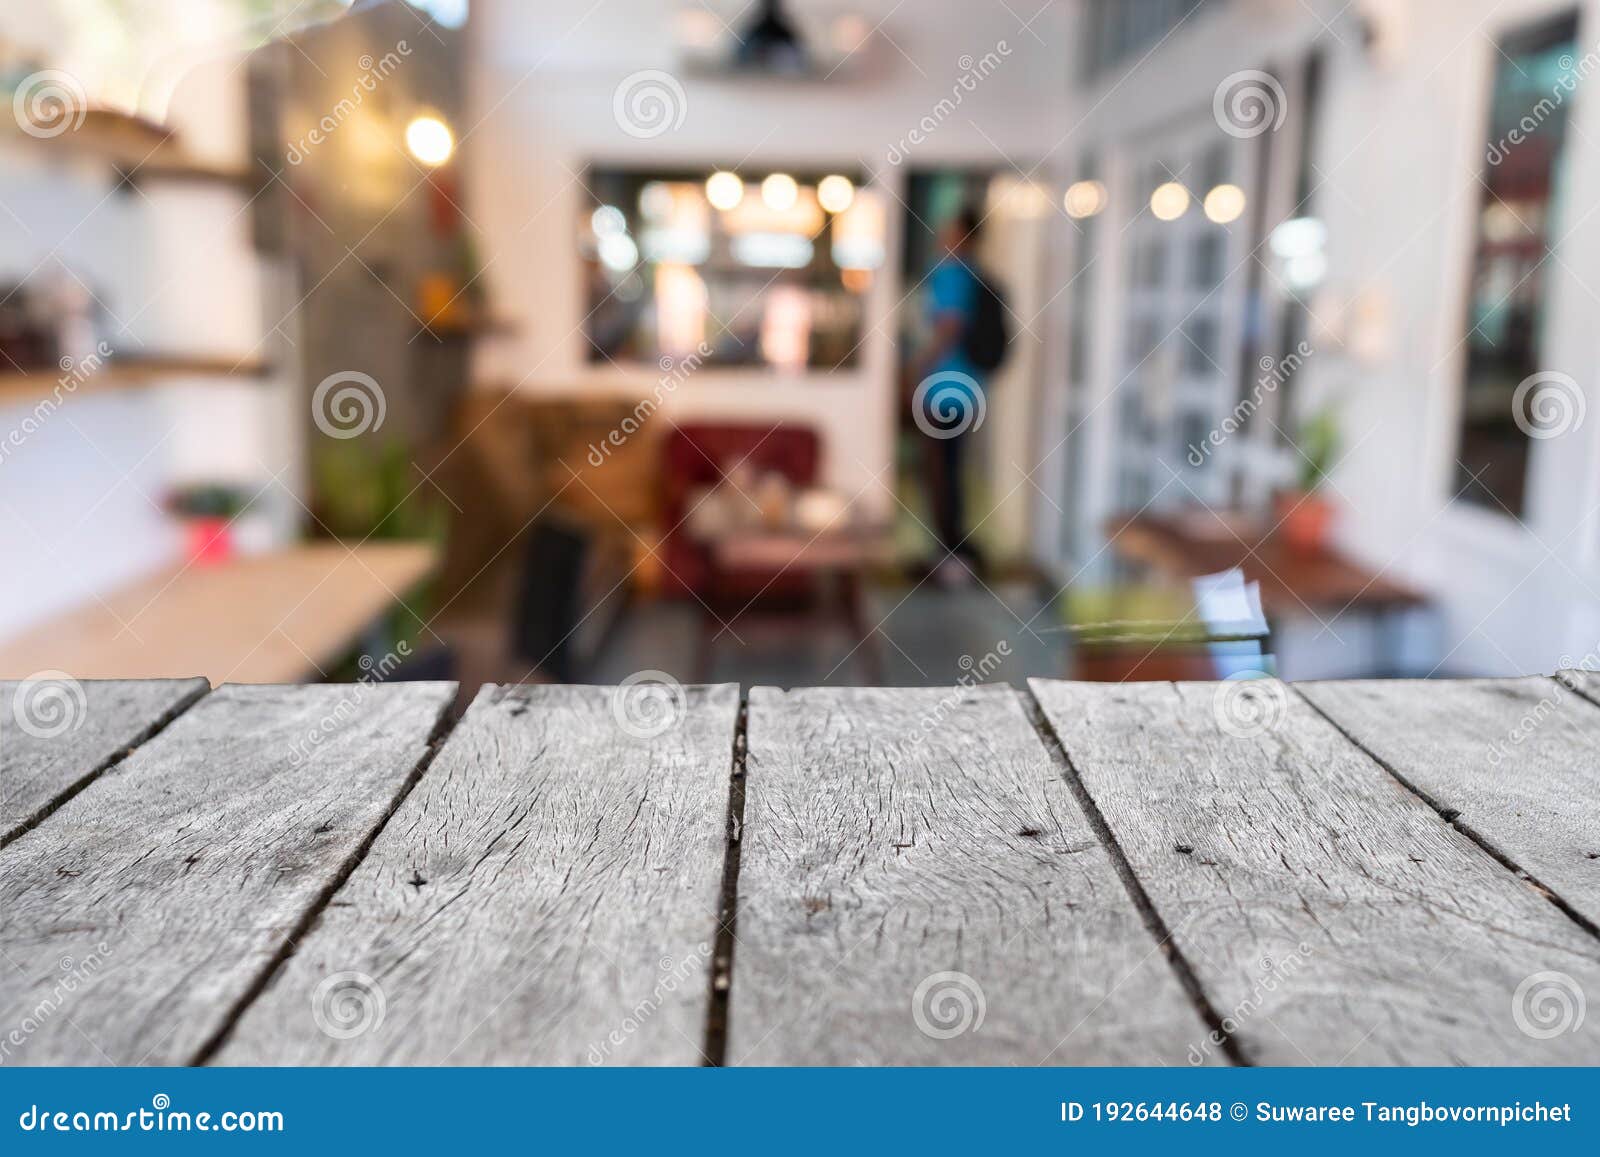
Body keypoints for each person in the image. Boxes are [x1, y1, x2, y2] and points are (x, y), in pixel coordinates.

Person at [906, 205, 1003, 586]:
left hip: (944, 389)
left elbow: (948, 328)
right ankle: (954, 551)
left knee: (938, 471)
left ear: (965, 237)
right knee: (950, 469)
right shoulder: (975, 274)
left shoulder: (951, 274)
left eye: (950, 231)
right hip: (968, 388)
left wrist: (915, 367)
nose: (943, 237)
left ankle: (949, 555)